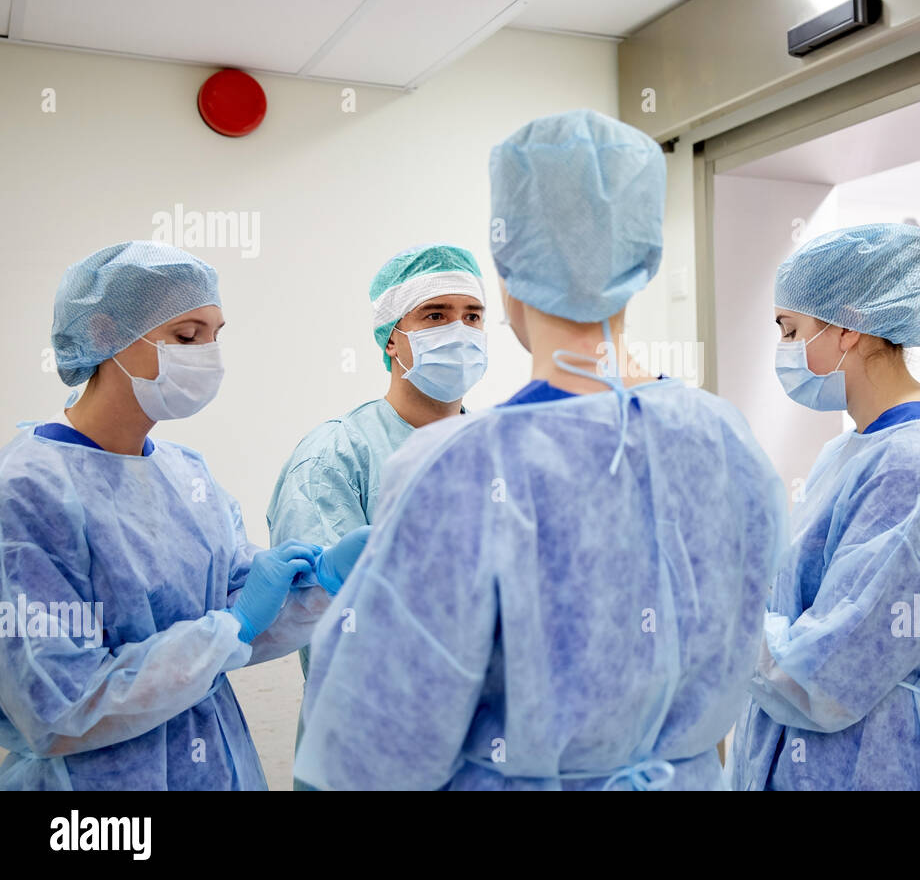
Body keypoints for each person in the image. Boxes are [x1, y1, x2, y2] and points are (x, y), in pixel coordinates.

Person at [295, 109, 788, 790]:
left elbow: (370, 752)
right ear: (644, 260)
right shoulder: (728, 441)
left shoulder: (456, 467)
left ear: (507, 274)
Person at [0, 241, 367, 790]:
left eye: (217, 336)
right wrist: (232, 626)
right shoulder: (30, 492)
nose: (209, 356)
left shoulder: (186, 476)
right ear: (103, 335)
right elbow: (60, 709)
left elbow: (237, 621)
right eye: (188, 337)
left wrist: (321, 584)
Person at [730, 223, 920, 791]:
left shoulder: (919, 465)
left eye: (791, 330)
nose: (784, 349)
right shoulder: (854, 449)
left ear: (846, 330)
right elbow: (804, 600)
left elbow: (826, 673)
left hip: (870, 761)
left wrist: (723, 618)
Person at [267, 243, 487, 789]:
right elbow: (329, 625)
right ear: (393, 336)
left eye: (473, 316)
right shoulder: (335, 458)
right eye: (435, 315)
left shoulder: (501, 450)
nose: (459, 330)